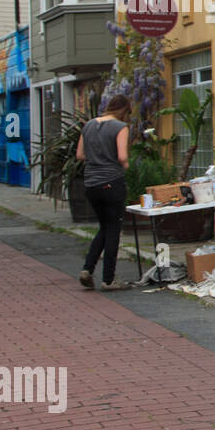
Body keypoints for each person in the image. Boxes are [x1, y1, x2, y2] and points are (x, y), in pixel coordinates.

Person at [76, 95, 131, 291]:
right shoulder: (120, 127)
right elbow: (122, 156)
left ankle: (87, 269)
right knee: (114, 228)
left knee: (104, 227)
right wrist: (125, 165)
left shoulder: (89, 125)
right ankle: (108, 279)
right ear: (124, 110)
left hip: (91, 184)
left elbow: (80, 155)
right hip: (111, 182)